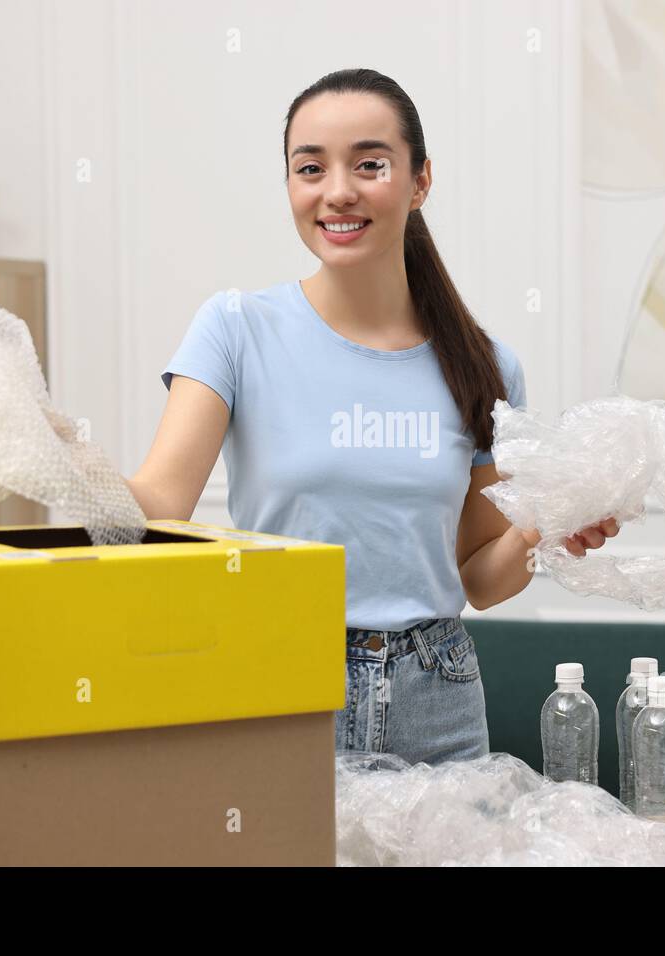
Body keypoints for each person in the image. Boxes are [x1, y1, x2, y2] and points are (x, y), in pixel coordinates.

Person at [128, 68, 618, 765]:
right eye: (310, 168)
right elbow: (156, 502)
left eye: (369, 164)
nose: (337, 191)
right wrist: (52, 450)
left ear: (419, 182)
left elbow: (479, 577)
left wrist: (548, 523)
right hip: (281, 680)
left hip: (438, 697)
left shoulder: (486, 365)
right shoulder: (236, 329)